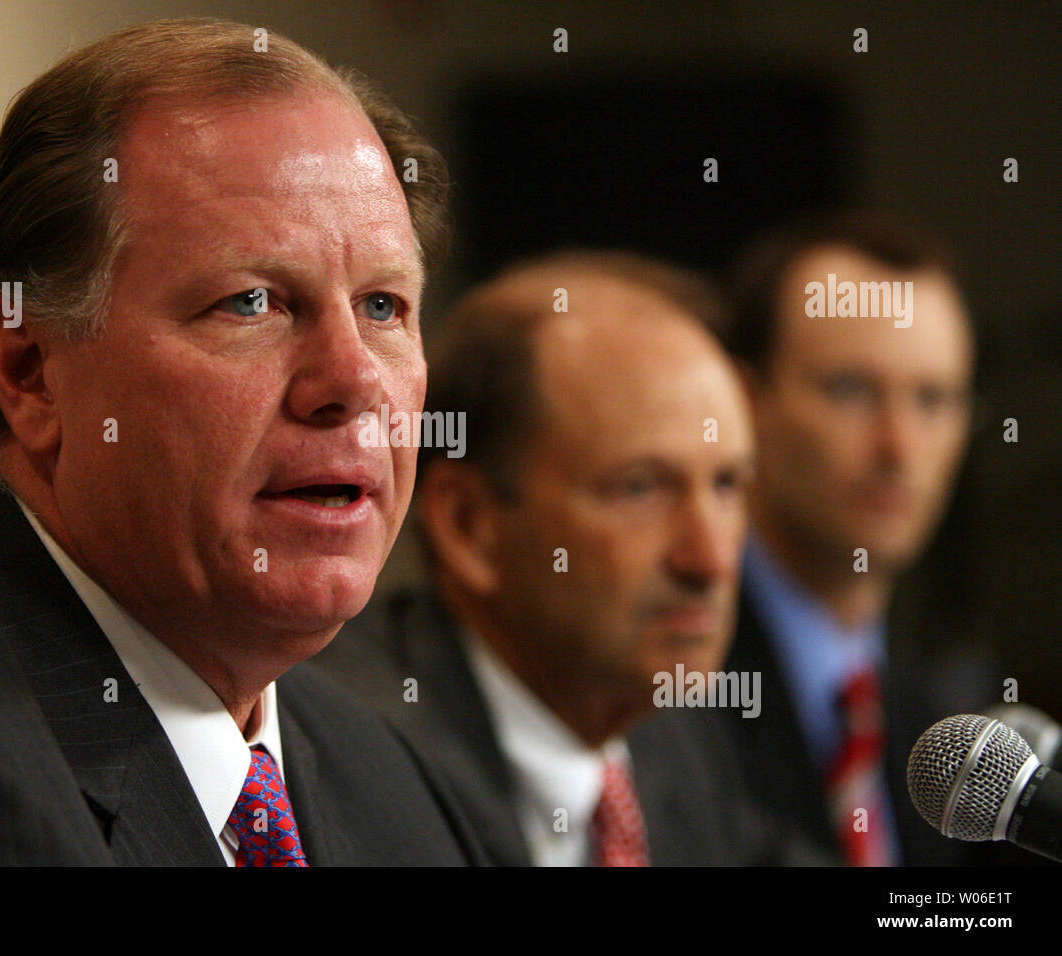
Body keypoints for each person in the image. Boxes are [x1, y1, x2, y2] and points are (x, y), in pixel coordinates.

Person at [0, 18, 483, 866]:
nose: (355, 382)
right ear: (30, 372)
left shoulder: (389, 772)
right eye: (252, 302)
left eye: (384, 307)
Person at [316, 250, 812, 865]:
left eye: (727, 486)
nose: (708, 561)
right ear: (470, 527)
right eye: (640, 488)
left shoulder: (666, 729)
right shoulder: (354, 759)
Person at [719, 210, 982, 865]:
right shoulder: (666, 693)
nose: (900, 446)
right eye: (851, 390)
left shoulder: (942, 736)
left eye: (933, 399)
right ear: (745, 401)